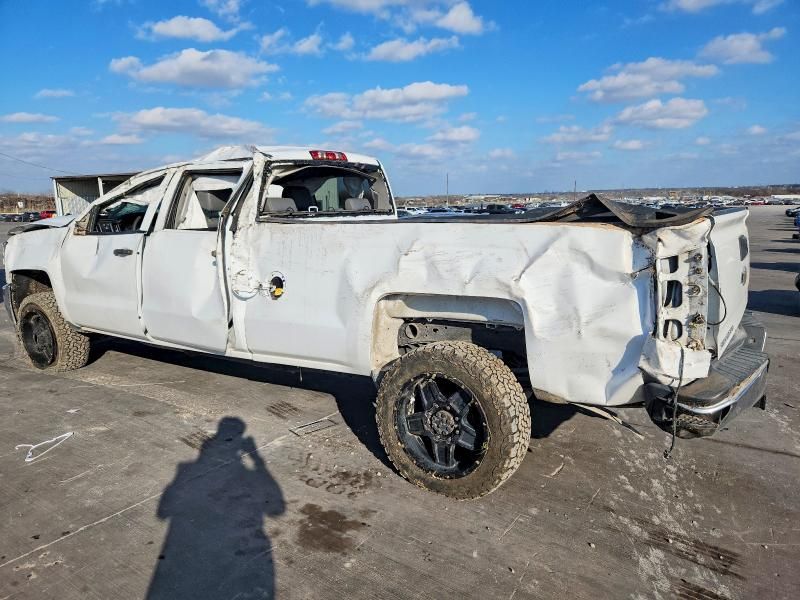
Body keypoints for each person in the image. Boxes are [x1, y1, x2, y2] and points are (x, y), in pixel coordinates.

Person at [146, 417, 285, 600]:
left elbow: (162, 511)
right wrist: (257, 460)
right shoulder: (246, 475)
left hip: (188, 549)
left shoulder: (187, 470)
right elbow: (277, 508)